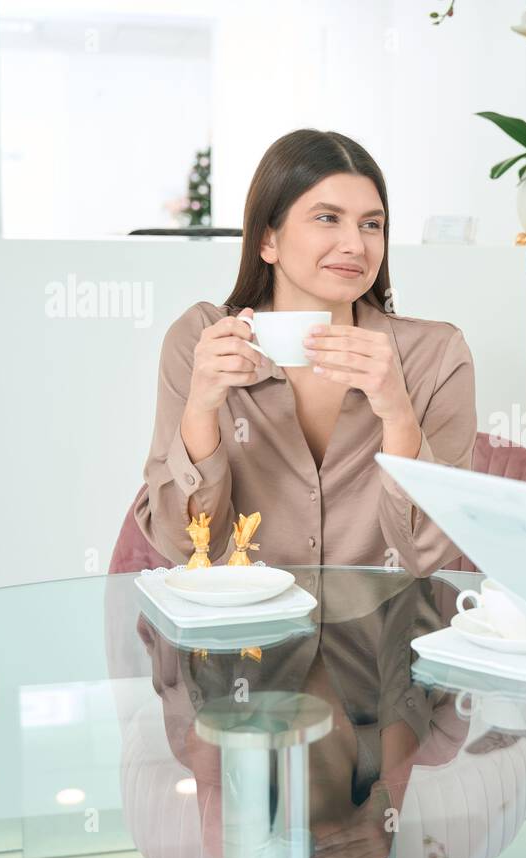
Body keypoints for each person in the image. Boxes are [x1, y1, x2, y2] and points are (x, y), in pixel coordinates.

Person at [134, 130, 476, 577]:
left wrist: (398, 415)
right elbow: (185, 545)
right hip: (238, 637)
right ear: (267, 241)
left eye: (372, 224)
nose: (356, 244)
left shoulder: (436, 357)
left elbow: (424, 555)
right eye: (328, 218)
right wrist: (200, 409)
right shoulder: (203, 339)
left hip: (382, 640)